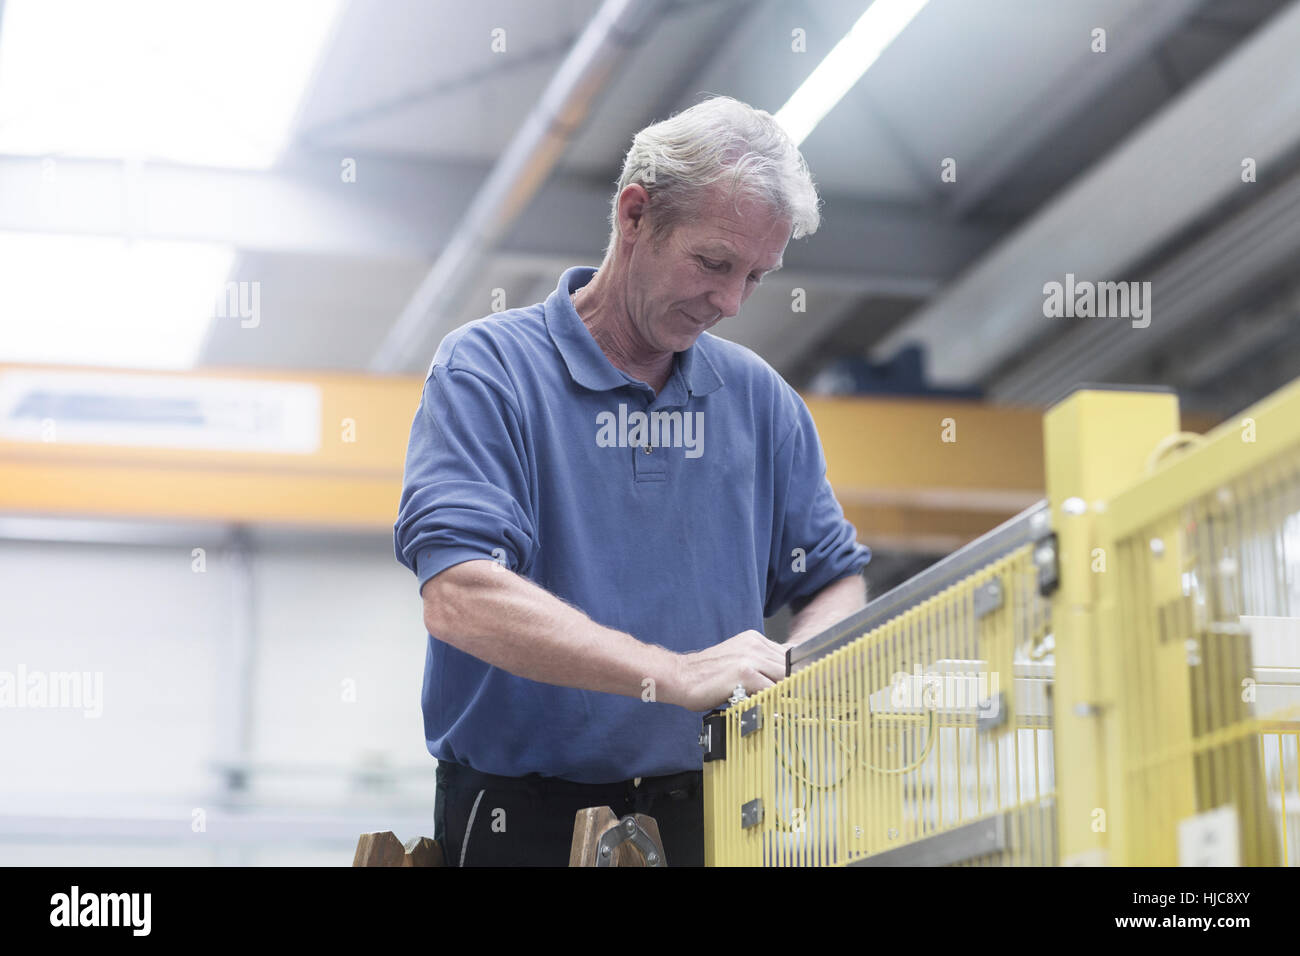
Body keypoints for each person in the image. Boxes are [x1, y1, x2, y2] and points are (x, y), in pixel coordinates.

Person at [393, 94, 871, 866]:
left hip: (713, 806)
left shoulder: (760, 401)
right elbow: (458, 596)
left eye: (756, 276)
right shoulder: (490, 370)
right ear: (636, 214)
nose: (729, 302)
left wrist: (797, 670)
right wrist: (674, 675)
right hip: (522, 819)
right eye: (714, 263)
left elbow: (834, 579)